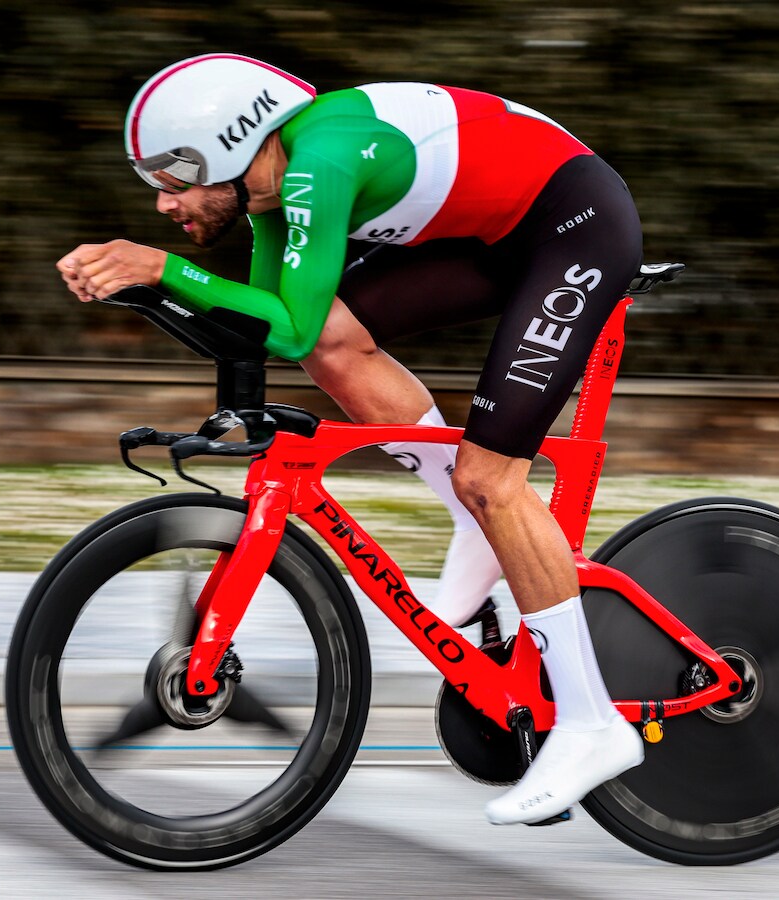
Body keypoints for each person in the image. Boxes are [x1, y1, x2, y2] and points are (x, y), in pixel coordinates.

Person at [58, 53, 645, 826]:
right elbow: (281, 324)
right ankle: (476, 525)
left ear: (233, 149)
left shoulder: (316, 167)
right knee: (332, 343)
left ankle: (593, 723)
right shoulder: (274, 186)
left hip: (577, 227)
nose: (165, 204)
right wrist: (157, 282)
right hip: (503, 232)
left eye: (174, 179)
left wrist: (161, 267)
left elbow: (284, 318)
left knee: (491, 477)